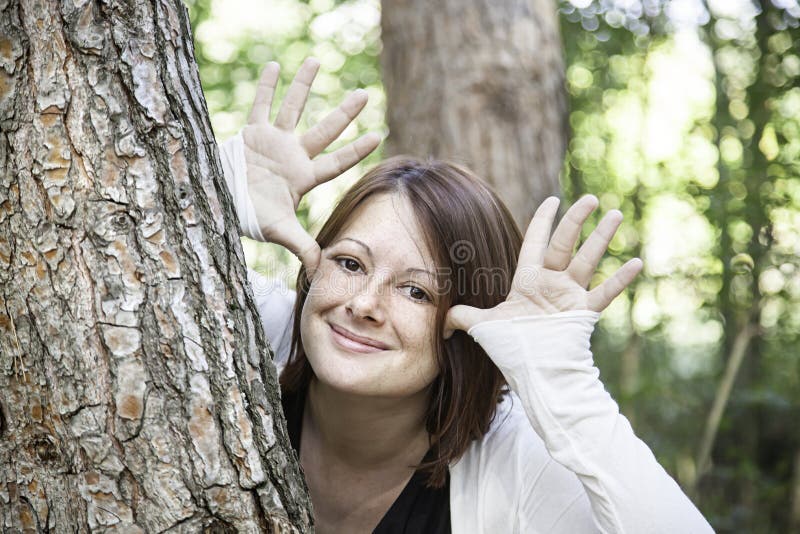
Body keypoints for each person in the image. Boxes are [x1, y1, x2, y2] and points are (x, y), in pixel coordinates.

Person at [220, 58, 713, 533]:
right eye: (350, 264)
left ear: (465, 327)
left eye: (416, 291)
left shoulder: (509, 458)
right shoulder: (249, 332)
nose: (364, 305)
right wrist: (215, 194)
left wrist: (563, 382)